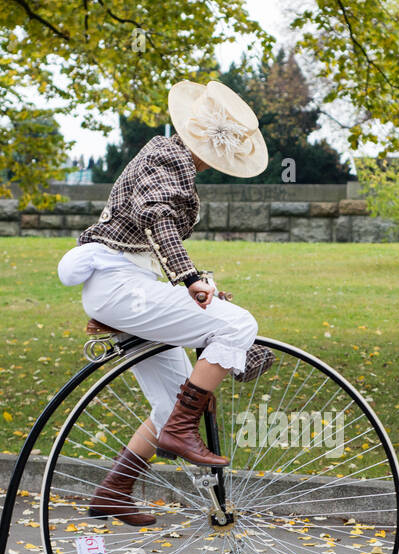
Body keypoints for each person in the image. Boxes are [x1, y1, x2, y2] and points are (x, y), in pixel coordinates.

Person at [57, 79, 272, 527]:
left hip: (129, 287)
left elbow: (149, 237)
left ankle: (114, 490)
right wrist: (188, 279)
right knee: (237, 325)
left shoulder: (171, 160)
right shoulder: (164, 157)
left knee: (172, 399)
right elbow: (157, 218)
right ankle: (179, 432)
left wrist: (195, 284)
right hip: (121, 288)